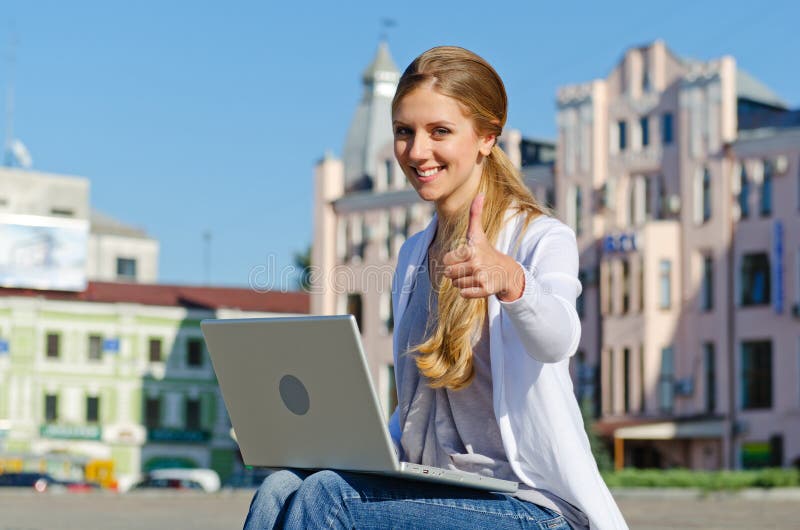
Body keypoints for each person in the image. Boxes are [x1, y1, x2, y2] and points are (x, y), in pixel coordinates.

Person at [243, 46, 628, 530]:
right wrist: (306, 438)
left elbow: (559, 339)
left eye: (439, 131)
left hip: (532, 506)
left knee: (328, 498)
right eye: (405, 132)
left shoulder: (539, 237)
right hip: (439, 490)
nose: (417, 151)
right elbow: (415, 413)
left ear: (487, 137)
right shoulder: (412, 254)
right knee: (283, 486)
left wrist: (512, 282)